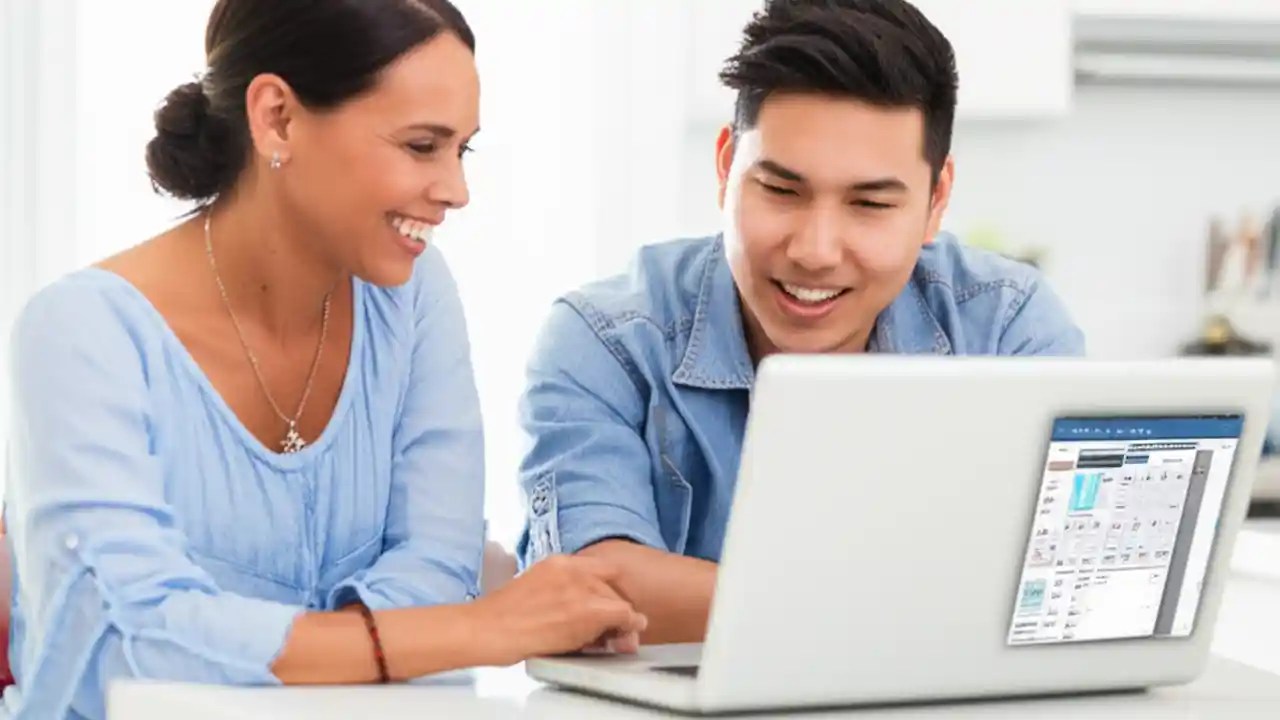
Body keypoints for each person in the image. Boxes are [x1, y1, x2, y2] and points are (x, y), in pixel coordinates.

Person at [3, 2, 644, 718]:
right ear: (277, 118)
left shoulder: (411, 296)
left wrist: (438, 629)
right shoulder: (81, 332)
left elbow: (435, 569)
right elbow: (130, 645)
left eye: (461, 150)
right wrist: (479, 629)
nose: (456, 191)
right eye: (421, 146)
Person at [516, 0, 1086, 645]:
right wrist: (913, 605)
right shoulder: (605, 340)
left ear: (936, 201)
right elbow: (591, 588)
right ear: (727, 169)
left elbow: (1065, 584)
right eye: (782, 192)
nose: (815, 251)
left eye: (869, 204)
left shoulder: (1006, 325)